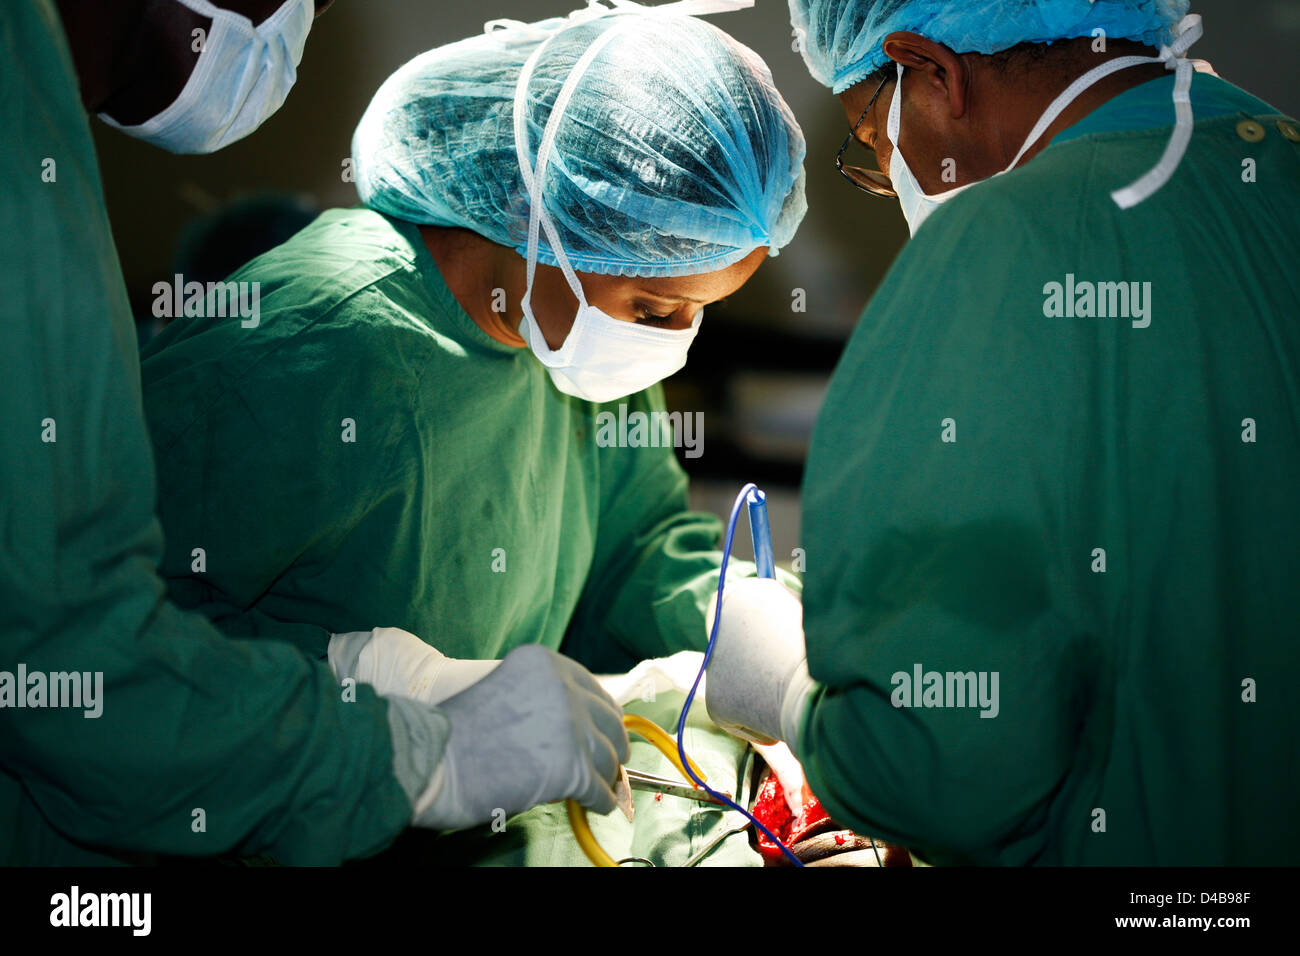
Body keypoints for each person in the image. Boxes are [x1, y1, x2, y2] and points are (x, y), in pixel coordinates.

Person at [136, 0, 808, 859]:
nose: (671, 341)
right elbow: (117, 642)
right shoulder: (314, 347)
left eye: (698, 312)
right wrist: (389, 695)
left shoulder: (568, 341)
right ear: (549, 213)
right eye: (655, 305)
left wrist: (746, 633)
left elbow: (628, 544)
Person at [1, 0, 627, 865]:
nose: (296, 28)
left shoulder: (30, 122)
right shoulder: (320, 340)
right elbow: (71, 667)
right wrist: (398, 747)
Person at [706, 0, 1300, 864]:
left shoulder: (1001, 247)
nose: (888, 174)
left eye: (874, 143)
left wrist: (788, 694)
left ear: (932, 73)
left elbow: (941, 770)